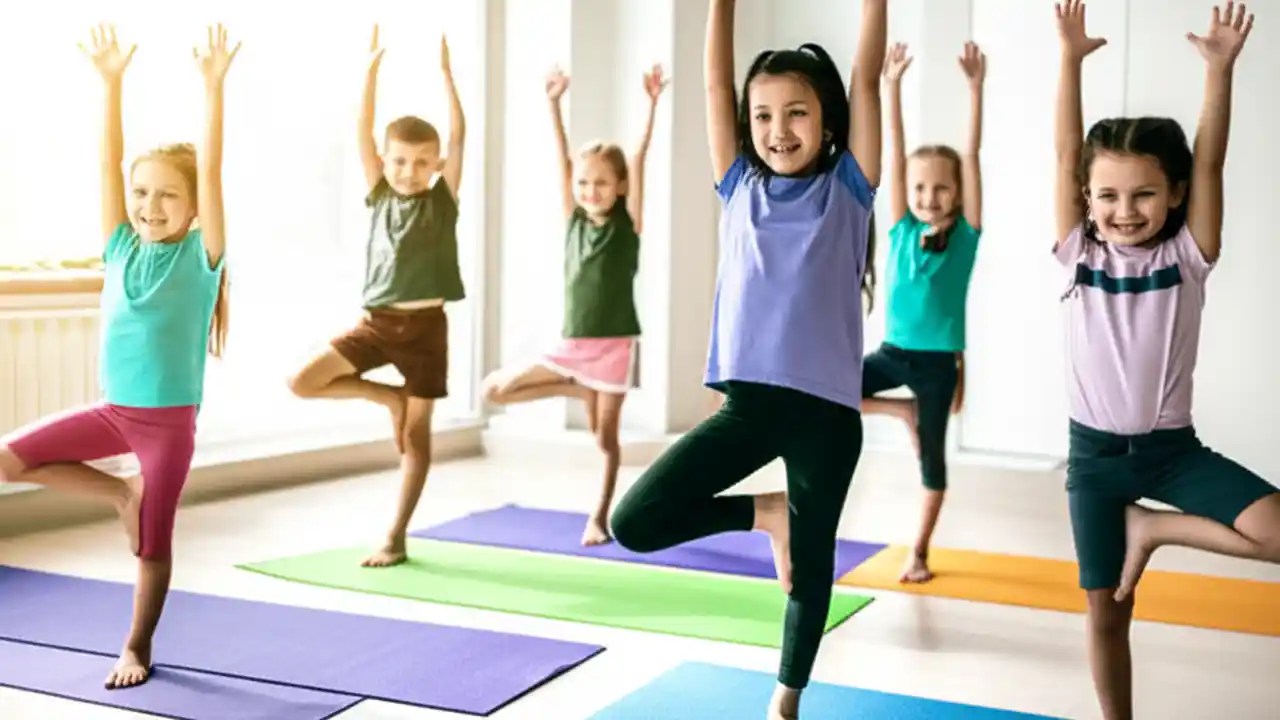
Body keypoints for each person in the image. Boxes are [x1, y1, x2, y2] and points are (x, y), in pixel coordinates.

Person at [609, 1, 887, 717]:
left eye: (797, 113)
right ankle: (767, 513)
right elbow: (712, 84)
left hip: (826, 416)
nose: (777, 130)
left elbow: (867, 76)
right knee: (634, 521)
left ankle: (785, 698)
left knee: (811, 574)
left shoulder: (847, 191)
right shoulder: (740, 188)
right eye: (762, 115)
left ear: (828, 119)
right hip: (750, 408)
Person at [1053, 2, 1278, 717]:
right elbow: (1065, 153)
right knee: (1108, 611)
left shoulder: (1187, 257)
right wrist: (1069, 62)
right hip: (1093, 460)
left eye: (1145, 192)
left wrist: (1218, 71)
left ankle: (1152, 528)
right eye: (1109, 194)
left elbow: (1210, 155)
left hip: (1173, 455)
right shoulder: (1076, 256)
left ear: (1175, 193)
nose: (1126, 209)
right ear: (1087, 200)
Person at [0, 23, 236, 689]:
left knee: (152, 546)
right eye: (143, 193)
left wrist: (213, 89)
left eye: (168, 195)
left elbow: (214, 168)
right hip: (113, 413)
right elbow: (108, 164)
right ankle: (116, 491)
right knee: (8, 458)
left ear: (193, 207)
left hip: (167, 429)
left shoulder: (201, 258)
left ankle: (136, 646)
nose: (149, 205)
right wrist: (111, 85)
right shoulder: (119, 247)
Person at [288, 26, 466, 568]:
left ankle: (396, 534)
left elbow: (461, 136)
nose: (409, 171)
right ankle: (383, 396)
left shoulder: (442, 200)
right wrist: (369, 74)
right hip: (377, 324)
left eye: (421, 162)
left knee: (416, 439)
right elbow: (361, 129)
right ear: (386, 162)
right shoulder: (379, 191)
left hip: (426, 331)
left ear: (435, 165)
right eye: (399, 161)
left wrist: (447, 77)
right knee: (303, 381)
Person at [481, 64, 667, 546]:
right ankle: (575, 389)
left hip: (614, 349)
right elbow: (562, 161)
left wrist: (651, 107)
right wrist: (552, 105)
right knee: (494, 390)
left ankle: (598, 517)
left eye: (602, 183)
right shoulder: (573, 222)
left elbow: (642, 158)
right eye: (584, 184)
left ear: (621, 187)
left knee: (605, 441)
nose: (590, 191)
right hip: (572, 348)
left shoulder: (627, 228)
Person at [860, 40, 985, 583]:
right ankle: (897, 413)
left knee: (932, 464)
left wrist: (975, 91)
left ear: (958, 194)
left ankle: (919, 551)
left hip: (936, 365)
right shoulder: (901, 230)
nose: (929, 196)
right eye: (919, 187)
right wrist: (891, 88)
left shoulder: (965, 238)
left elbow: (973, 156)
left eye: (941, 188)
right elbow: (893, 155)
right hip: (892, 354)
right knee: (826, 388)